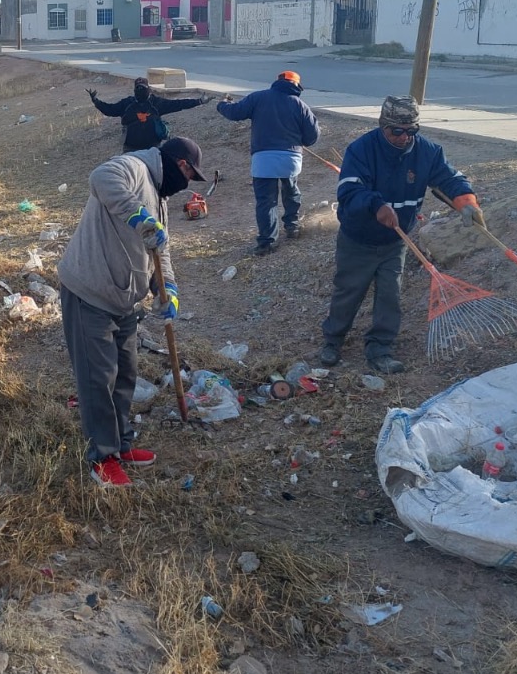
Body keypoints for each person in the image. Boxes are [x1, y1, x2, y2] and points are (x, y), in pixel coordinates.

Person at [57, 137, 207, 487]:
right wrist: (140, 218)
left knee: (125, 375)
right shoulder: (134, 167)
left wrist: (166, 288)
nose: (186, 182)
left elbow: (160, 249)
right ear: (177, 162)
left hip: (123, 300)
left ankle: (122, 444)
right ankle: (102, 458)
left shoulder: (159, 195)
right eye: (187, 172)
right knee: (98, 380)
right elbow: (100, 177)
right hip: (90, 292)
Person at [320, 96, 483, 375]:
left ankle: (380, 348)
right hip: (358, 238)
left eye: (411, 131)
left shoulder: (428, 152)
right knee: (349, 290)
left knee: (390, 294)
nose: (404, 137)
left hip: (396, 240)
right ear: (384, 126)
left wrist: (466, 202)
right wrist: (376, 206)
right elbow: (349, 191)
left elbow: (450, 179)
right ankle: (333, 340)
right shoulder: (361, 150)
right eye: (397, 131)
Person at [216, 71, 321, 256]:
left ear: (277, 82)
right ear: (297, 86)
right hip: (291, 159)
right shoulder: (301, 106)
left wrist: (223, 104)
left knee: (266, 201)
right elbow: (312, 136)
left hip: (263, 159)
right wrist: (300, 140)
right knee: (291, 190)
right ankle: (292, 226)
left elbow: (235, 113)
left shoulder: (258, 97)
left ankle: (267, 242)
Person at [87, 77, 206, 153]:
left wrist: (199, 101)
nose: (140, 91)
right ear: (134, 90)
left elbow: (178, 104)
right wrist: (96, 101)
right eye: (138, 88)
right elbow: (110, 110)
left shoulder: (157, 103)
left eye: (143, 88)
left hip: (153, 148)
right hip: (130, 148)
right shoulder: (127, 103)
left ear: (148, 89)